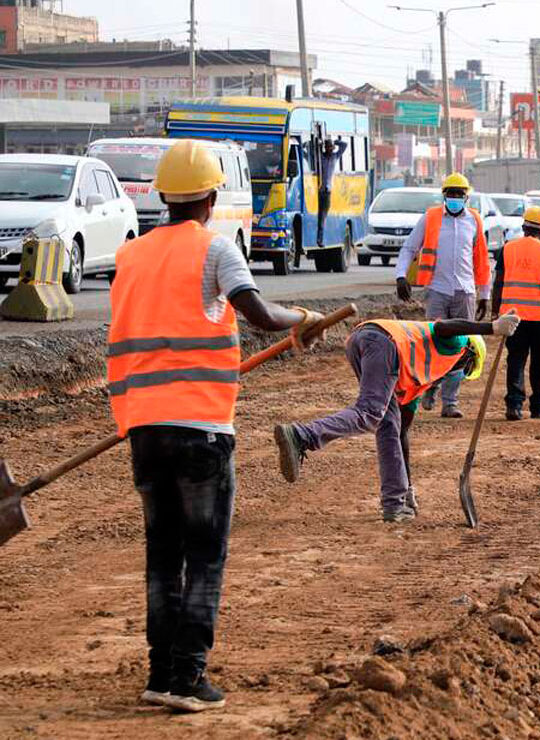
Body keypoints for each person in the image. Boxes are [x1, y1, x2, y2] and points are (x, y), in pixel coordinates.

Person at [108, 140, 327, 713]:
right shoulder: (216, 249)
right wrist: (303, 319)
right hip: (201, 427)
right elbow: (258, 314)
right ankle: (189, 678)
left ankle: (160, 675)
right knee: (205, 552)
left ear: (164, 197)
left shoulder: (132, 255)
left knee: (164, 552)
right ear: (208, 199)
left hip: (143, 427)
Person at [273, 312, 519, 522]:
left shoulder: (420, 375)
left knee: (389, 426)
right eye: (463, 368)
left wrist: (408, 488)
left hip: (366, 341)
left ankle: (395, 504)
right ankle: (301, 435)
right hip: (381, 343)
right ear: (468, 355)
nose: (457, 372)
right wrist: (492, 327)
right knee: (370, 412)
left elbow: (402, 433)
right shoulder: (458, 343)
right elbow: (443, 326)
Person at [394, 172, 490, 418]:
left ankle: (450, 402)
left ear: (466, 197)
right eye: (451, 194)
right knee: (434, 344)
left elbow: (481, 261)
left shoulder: (475, 221)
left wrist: (484, 294)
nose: (455, 198)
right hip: (437, 290)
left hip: (465, 292)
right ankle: (431, 385)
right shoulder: (431, 217)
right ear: (444, 196)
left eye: (459, 194)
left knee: (461, 348)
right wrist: (401, 276)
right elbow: (409, 248)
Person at [492, 206, 540, 420]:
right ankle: (539, 407)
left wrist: (496, 313)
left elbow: (498, 283)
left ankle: (514, 406)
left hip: (513, 317)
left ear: (524, 227)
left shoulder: (508, 249)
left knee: (516, 360)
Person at [315, 136, 348, 247]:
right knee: (319, 217)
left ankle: (320, 239)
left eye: (331, 147)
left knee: (323, 216)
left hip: (328, 191)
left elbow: (344, 145)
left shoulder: (335, 157)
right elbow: (306, 153)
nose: (329, 149)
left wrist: (335, 141)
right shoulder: (320, 157)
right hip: (318, 191)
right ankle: (319, 239)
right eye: (328, 147)